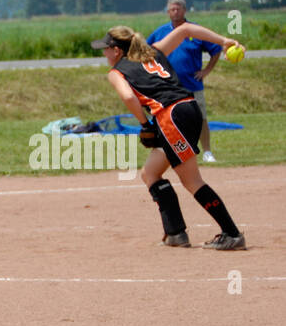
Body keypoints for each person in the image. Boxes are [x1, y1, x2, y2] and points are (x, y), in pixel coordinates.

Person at [93, 24, 247, 251]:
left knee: (191, 180)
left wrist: (145, 125)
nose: (104, 53)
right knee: (151, 173)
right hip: (189, 108)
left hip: (171, 117)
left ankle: (232, 234)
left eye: (106, 48)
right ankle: (176, 233)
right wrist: (223, 41)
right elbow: (185, 30)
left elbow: (128, 97)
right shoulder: (154, 51)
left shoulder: (117, 72)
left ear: (117, 50)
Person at [147, 0, 222, 163]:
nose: (175, 12)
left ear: (185, 10)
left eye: (178, 9)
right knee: (169, 120)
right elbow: (146, 53)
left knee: (200, 118)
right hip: (168, 86)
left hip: (192, 83)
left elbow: (216, 50)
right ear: (168, 12)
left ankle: (207, 152)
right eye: (172, 9)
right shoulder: (160, 33)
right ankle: (171, 151)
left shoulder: (195, 30)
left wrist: (206, 70)